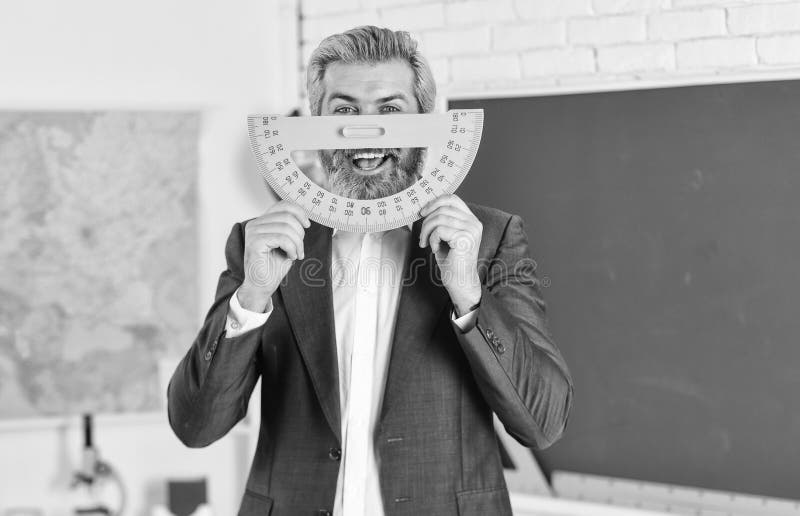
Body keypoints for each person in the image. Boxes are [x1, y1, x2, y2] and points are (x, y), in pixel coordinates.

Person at [168, 25, 573, 516]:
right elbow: (195, 425)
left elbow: (543, 422)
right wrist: (252, 296)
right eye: (343, 112)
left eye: (390, 110)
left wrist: (468, 294)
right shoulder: (263, 244)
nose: (366, 132)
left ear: (425, 122)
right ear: (315, 124)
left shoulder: (488, 239)